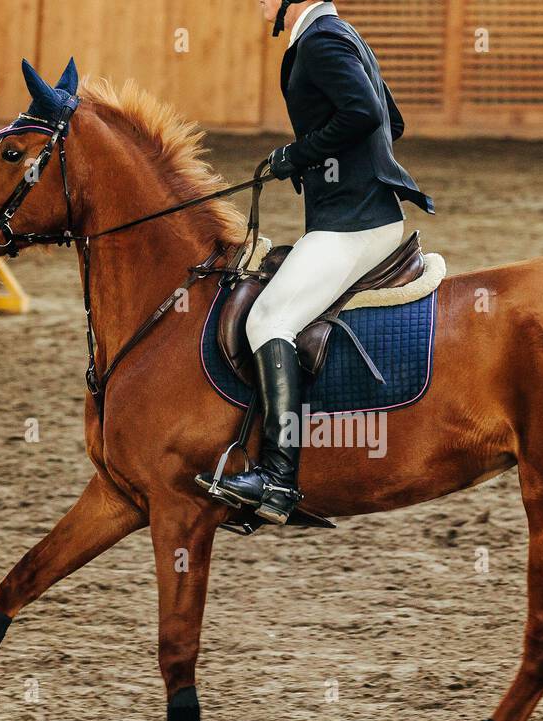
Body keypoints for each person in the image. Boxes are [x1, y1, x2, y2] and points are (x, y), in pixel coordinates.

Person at [202, 0, 434, 524]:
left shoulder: (322, 42)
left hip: (354, 225)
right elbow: (390, 120)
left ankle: (278, 481)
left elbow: (368, 116)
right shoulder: (338, 33)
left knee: (268, 319)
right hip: (355, 213)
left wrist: (301, 154)